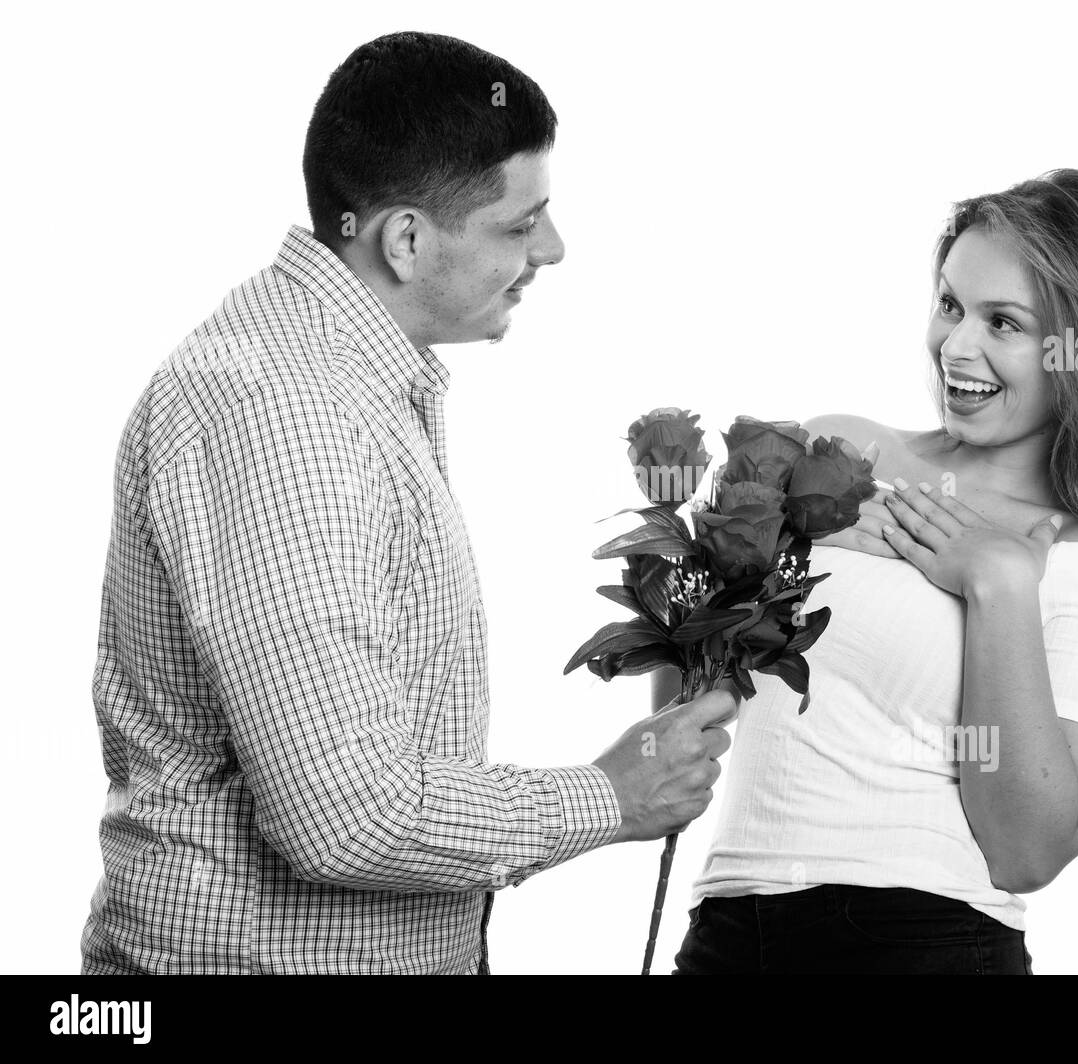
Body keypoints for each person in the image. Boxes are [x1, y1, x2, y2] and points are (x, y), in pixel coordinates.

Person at [81, 30, 736, 976]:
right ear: (406, 239)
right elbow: (345, 816)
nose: (553, 249)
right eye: (519, 224)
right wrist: (611, 795)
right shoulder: (285, 411)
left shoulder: (340, 374)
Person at [667, 169, 1078, 974]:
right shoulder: (840, 453)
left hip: (922, 944)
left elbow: (1026, 852)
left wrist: (1000, 587)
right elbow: (687, 709)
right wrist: (733, 544)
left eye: (1004, 322)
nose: (956, 346)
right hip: (726, 929)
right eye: (951, 305)